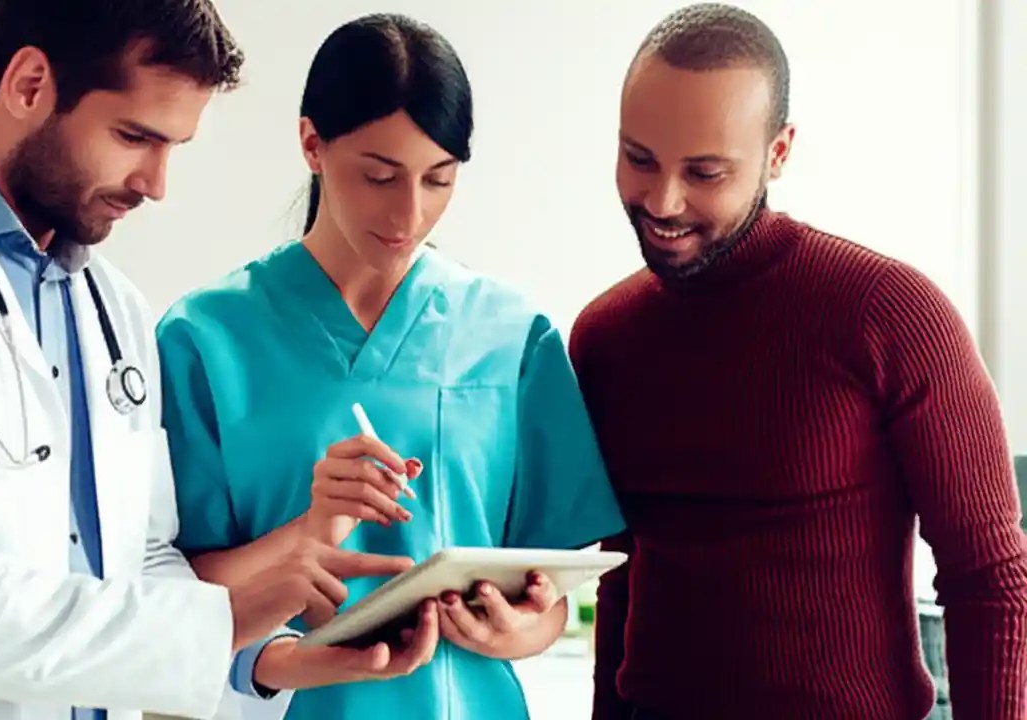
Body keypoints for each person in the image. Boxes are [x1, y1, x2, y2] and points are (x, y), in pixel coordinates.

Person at [0, 2, 416, 719]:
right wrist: (222, 618)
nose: (156, 183)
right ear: (30, 84)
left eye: (174, 147)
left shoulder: (112, 308)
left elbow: (139, 562)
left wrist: (268, 654)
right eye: (134, 136)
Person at [154, 11, 627, 720]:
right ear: (312, 144)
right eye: (379, 175)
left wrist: (517, 631)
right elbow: (171, 588)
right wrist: (310, 530)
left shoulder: (511, 335)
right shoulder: (206, 337)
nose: (410, 212)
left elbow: (551, 595)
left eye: (439, 179)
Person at [569, 3, 1027, 719]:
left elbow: (990, 577)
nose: (662, 199)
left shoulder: (892, 315)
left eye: (705, 171)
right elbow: (620, 577)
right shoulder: (603, 335)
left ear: (777, 153)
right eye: (639, 159)